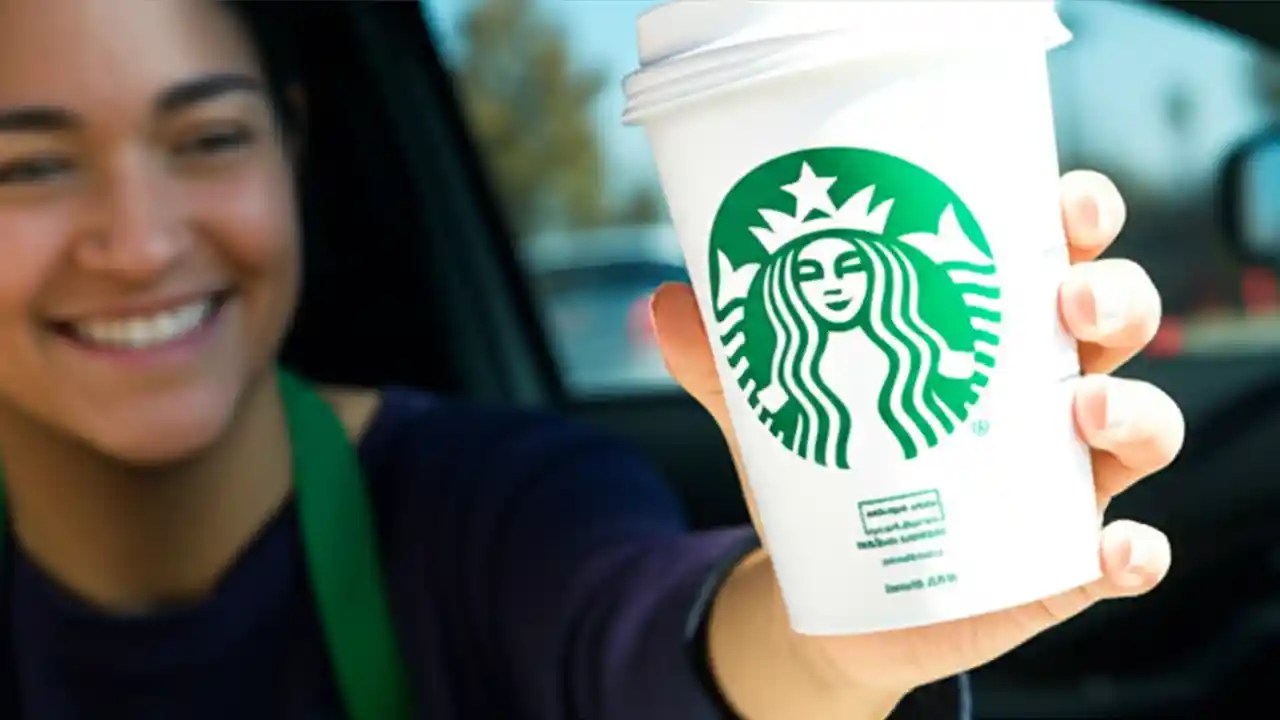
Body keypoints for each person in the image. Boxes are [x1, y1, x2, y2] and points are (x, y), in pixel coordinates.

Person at [0, 1, 1183, 718]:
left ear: (291, 147)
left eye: (208, 139)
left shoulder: (497, 506)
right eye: (29, 167)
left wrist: (835, 647)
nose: (140, 242)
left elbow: (628, 646)